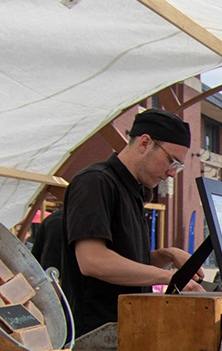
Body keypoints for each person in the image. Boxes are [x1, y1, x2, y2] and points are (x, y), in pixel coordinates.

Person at [61, 108, 203, 336]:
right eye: (171, 161)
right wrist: (169, 277)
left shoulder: (134, 192)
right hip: (94, 337)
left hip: (129, 331)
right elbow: (92, 260)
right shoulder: (95, 182)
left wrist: (166, 255)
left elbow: (127, 261)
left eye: (178, 167)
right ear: (145, 143)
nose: (171, 173)